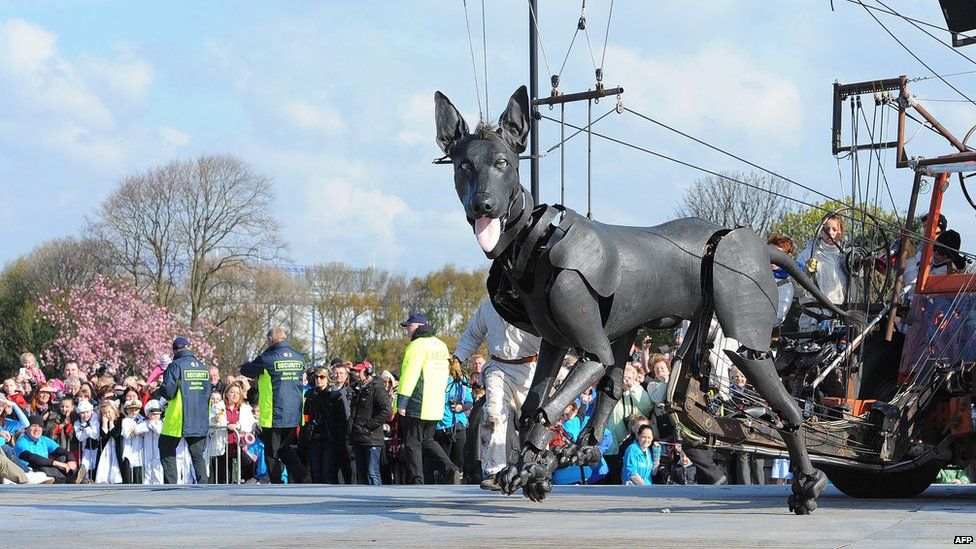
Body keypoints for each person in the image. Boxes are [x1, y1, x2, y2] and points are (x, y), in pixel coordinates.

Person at [452, 299, 541, 490]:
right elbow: (473, 334)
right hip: (497, 367)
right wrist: (458, 356)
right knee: (494, 414)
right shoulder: (488, 306)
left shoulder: (533, 303)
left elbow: (553, 338)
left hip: (530, 370)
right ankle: (495, 471)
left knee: (534, 421)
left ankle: (536, 470)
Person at [239, 326, 309, 484]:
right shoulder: (299, 357)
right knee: (284, 448)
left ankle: (276, 484)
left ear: (270, 340)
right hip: (294, 413)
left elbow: (247, 370)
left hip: (274, 413)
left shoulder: (267, 358)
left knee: (271, 451)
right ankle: (303, 476)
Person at [397, 312, 456, 485]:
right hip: (435, 404)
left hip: (417, 401)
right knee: (427, 440)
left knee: (412, 442)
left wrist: (402, 402)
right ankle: (450, 469)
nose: (407, 330)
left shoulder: (416, 346)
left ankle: (417, 482)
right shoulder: (441, 345)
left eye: (408, 326)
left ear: (417, 326)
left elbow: (409, 375)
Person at [156, 337, 212, 485]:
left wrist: (159, 388)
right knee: (197, 453)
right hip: (199, 417)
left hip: (178, 418)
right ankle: (203, 485)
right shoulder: (202, 367)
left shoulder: (175, 366)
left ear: (174, 350)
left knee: (166, 449)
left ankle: (171, 485)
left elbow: (169, 392)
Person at [797, 213, 849, 331]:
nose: (830, 233)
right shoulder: (806, 255)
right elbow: (796, 291)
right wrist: (806, 274)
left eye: (834, 229)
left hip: (839, 320)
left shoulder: (848, 258)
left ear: (840, 231)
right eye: (826, 229)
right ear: (820, 230)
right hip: (812, 320)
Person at [606, 364, 652, 483]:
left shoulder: (638, 392)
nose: (626, 381)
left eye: (629, 378)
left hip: (629, 440)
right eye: (623, 378)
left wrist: (632, 388)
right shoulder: (611, 390)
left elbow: (647, 406)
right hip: (612, 444)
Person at [348, 361, 391, 485]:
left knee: (372, 473)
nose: (356, 374)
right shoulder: (357, 388)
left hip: (371, 437)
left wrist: (369, 426)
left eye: (359, 371)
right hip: (358, 437)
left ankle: (377, 500)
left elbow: (386, 411)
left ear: (368, 371)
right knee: (361, 474)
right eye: (355, 371)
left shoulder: (377, 389)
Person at [13, 415, 86, 484]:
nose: (37, 429)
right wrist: (56, 463)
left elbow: (63, 452)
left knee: (63, 458)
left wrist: (71, 460)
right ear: (27, 428)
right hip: (29, 471)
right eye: (33, 426)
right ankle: (71, 480)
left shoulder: (44, 439)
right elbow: (32, 458)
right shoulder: (21, 442)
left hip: (44, 466)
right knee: (43, 468)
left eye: (40, 426)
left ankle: (77, 478)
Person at [434, 359, 473, 481]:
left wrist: (460, 407)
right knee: (445, 462)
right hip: (442, 426)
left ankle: (456, 484)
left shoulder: (461, 381)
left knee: (458, 461)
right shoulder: (437, 380)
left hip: (458, 425)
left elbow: (469, 401)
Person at [729, 369, 764, 485]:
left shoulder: (753, 393)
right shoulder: (729, 394)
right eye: (736, 377)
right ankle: (745, 486)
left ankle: (761, 487)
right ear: (732, 379)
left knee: (757, 457)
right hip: (739, 428)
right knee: (743, 456)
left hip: (755, 429)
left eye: (742, 376)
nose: (739, 379)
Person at [120, 400, 148, 484]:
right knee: (129, 468)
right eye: (131, 410)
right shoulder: (126, 421)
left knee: (139, 470)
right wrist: (137, 431)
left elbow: (144, 432)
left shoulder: (143, 420)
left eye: (135, 409)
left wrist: (135, 430)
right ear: (127, 410)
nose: (133, 412)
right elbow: (126, 434)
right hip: (130, 448)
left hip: (140, 449)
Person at [95, 399, 123, 484]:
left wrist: (111, 423)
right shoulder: (102, 422)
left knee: (115, 462)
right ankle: (103, 478)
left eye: (109, 412)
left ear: (114, 411)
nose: (107, 415)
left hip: (115, 446)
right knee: (104, 462)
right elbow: (103, 435)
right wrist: (104, 423)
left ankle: (116, 479)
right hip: (106, 448)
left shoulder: (119, 421)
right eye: (104, 413)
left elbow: (115, 434)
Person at [74, 399, 100, 479]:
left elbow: (95, 435)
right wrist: (88, 431)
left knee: (95, 462)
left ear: (91, 411)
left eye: (87, 412)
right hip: (86, 446)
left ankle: (94, 478)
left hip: (97, 445)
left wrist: (86, 429)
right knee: (85, 462)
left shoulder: (95, 418)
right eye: (82, 413)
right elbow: (79, 437)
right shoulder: (78, 421)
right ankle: (84, 477)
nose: (85, 415)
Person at [142, 400, 164, 485]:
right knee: (148, 469)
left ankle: (159, 486)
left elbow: (159, 431)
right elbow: (137, 430)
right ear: (148, 415)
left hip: (158, 451)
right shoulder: (145, 423)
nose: (155, 416)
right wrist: (148, 425)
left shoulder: (161, 423)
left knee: (158, 469)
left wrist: (152, 425)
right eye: (152, 414)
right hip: (148, 451)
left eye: (157, 414)